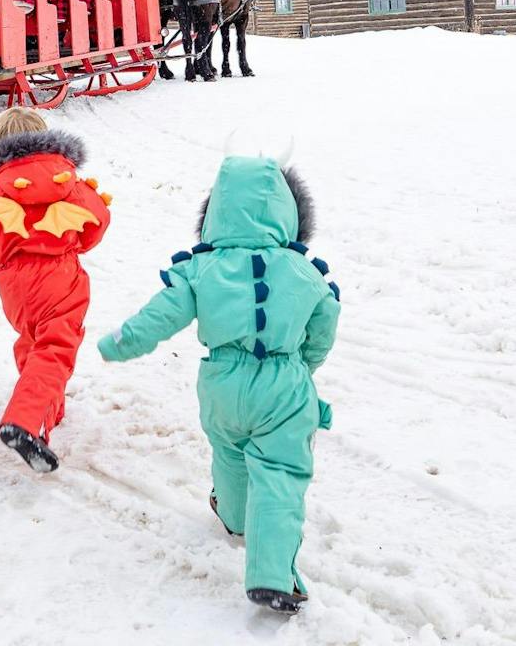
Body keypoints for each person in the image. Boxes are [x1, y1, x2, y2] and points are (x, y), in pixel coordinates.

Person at [97, 156, 339, 616]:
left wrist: (120, 343)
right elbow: (325, 323)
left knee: (230, 453)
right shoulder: (304, 270)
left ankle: (233, 516)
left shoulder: (199, 269)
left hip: (220, 384)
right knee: (280, 476)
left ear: (215, 212)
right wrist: (304, 366)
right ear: (288, 212)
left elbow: (160, 315)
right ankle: (273, 575)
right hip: (282, 385)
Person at [0, 107, 112, 471]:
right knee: (55, 348)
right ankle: (24, 420)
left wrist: (0, 265)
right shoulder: (69, 183)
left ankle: (45, 416)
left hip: (14, 286)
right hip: (60, 278)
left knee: (33, 342)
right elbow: (96, 222)